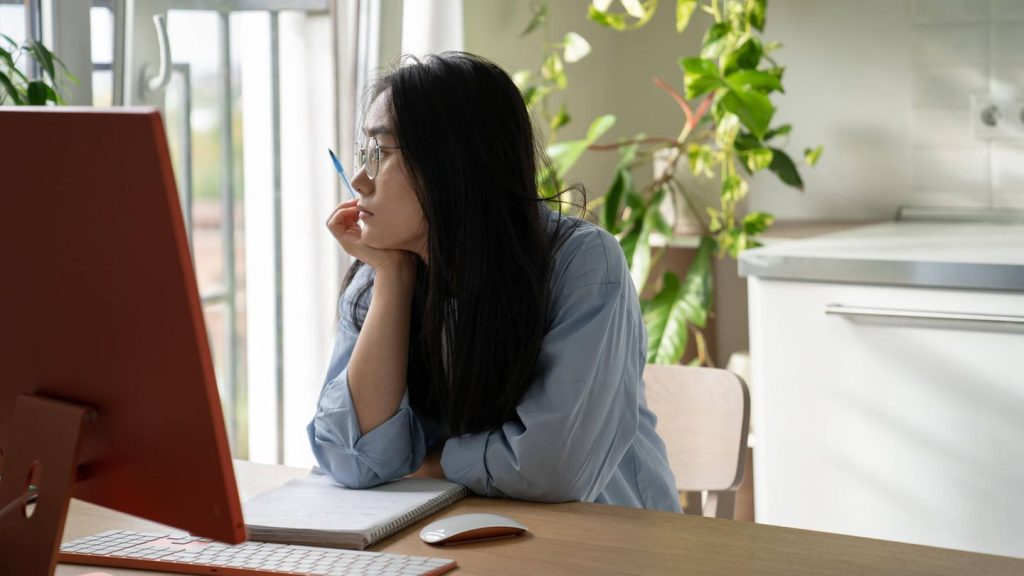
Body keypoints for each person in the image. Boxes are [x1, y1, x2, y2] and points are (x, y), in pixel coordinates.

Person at [307, 52, 680, 513]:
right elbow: (351, 461)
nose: (360, 180)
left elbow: (550, 467)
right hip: (462, 531)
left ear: (454, 161)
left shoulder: (582, 263)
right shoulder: (380, 273)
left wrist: (430, 461)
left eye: (380, 154)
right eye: (364, 153)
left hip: (605, 539)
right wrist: (393, 277)